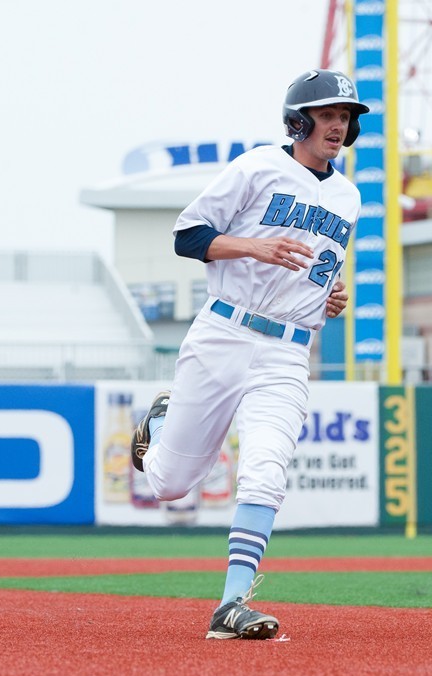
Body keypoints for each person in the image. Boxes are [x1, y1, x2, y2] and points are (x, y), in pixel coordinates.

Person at [129, 68, 368, 639]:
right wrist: (253, 246)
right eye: (329, 114)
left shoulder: (348, 196)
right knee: (168, 485)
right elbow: (187, 236)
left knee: (266, 470)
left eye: (347, 117)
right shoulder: (258, 167)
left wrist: (327, 296)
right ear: (299, 120)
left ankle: (232, 605)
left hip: (289, 349)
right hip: (224, 333)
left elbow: (318, 267)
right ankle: (156, 432)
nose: (339, 125)